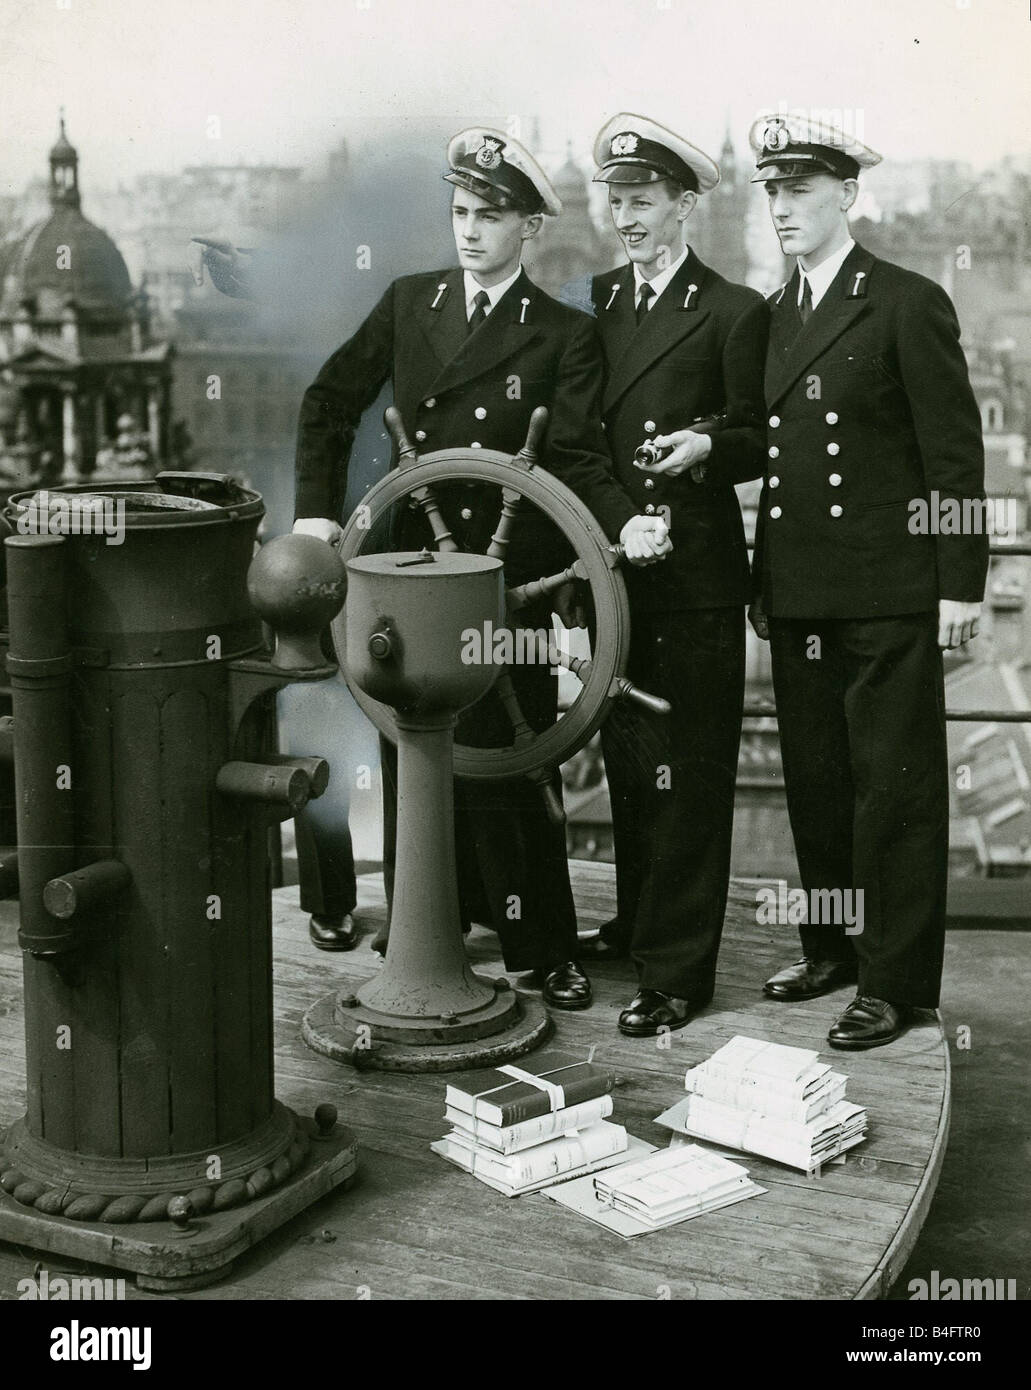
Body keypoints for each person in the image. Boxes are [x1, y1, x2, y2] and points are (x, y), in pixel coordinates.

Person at [293, 127, 670, 1008]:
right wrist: (317, 518)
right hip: (404, 572)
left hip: (508, 583)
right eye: (460, 212)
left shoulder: (563, 334)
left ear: (531, 227)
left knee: (512, 757)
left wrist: (626, 524)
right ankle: (430, 923)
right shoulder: (407, 301)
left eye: (491, 217)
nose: (468, 231)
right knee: (409, 745)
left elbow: (573, 458)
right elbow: (329, 401)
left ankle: (541, 946)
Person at [746, 112, 988, 1049]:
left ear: (847, 194)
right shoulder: (775, 315)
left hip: (889, 591)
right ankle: (833, 948)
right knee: (817, 783)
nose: (781, 209)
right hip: (800, 592)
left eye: (799, 190)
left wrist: (960, 587)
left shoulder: (903, 299)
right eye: (770, 192)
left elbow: (952, 456)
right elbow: (767, 446)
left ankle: (897, 983)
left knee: (892, 789)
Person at [568, 114, 767, 1037]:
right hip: (617, 569)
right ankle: (642, 926)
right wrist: (619, 521)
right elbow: (573, 441)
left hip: (693, 579)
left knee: (687, 775)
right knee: (629, 761)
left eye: (643, 202)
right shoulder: (596, 302)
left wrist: (703, 452)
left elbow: (761, 434)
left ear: (686, 205)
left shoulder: (733, 311)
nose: (626, 219)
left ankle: (678, 971)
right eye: (616, 202)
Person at [192, 233, 361, 952]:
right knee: (317, 730)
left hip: (381, 536)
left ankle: (406, 904)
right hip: (304, 552)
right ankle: (332, 902)